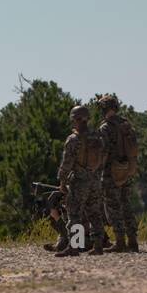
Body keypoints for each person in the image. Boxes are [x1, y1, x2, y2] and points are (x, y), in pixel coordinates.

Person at [54, 105, 105, 257]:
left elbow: (66, 164)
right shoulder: (97, 137)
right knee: (95, 213)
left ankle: (74, 247)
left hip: (80, 182)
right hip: (95, 181)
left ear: (75, 119)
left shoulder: (73, 139)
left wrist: (62, 182)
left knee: (74, 213)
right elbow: (102, 159)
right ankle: (98, 246)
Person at [96, 93, 139, 252]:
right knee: (126, 205)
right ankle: (133, 241)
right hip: (126, 171)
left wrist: (97, 169)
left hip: (110, 173)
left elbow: (103, 152)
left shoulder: (105, 127)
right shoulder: (126, 125)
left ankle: (120, 241)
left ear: (104, 109)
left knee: (113, 206)